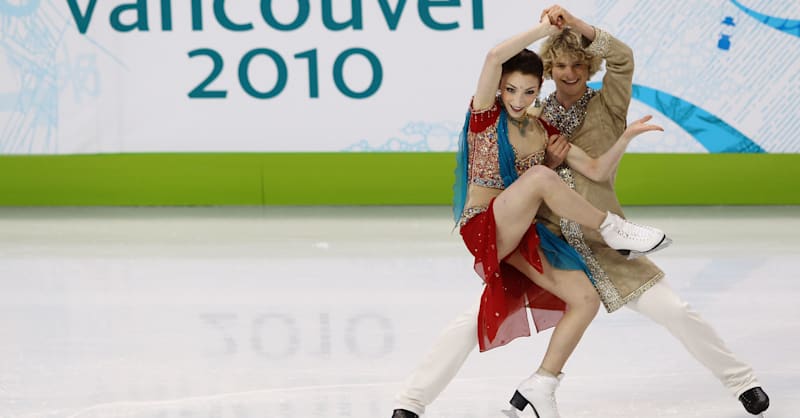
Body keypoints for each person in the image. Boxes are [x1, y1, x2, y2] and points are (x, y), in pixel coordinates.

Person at [392, 5, 769, 418]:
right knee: (475, 320)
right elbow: (520, 159)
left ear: (589, 67)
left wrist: (623, 134)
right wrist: (547, 163)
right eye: (560, 66)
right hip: (545, 240)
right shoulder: (528, 114)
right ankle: (411, 402)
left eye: (578, 65)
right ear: (547, 72)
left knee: (672, 309)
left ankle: (741, 382)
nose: (569, 73)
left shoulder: (604, 106)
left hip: (600, 248)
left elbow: (602, 140)